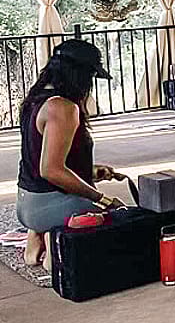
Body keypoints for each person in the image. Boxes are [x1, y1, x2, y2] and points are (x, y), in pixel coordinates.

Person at [17, 40, 127, 269]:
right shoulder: (63, 108)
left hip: (26, 203)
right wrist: (104, 200)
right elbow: (52, 170)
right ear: (79, 75)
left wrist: (92, 171)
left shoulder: (35, 100)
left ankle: (38, 233)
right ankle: (55, 237)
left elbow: (41, 159)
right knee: (119, 222)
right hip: (50, 205)